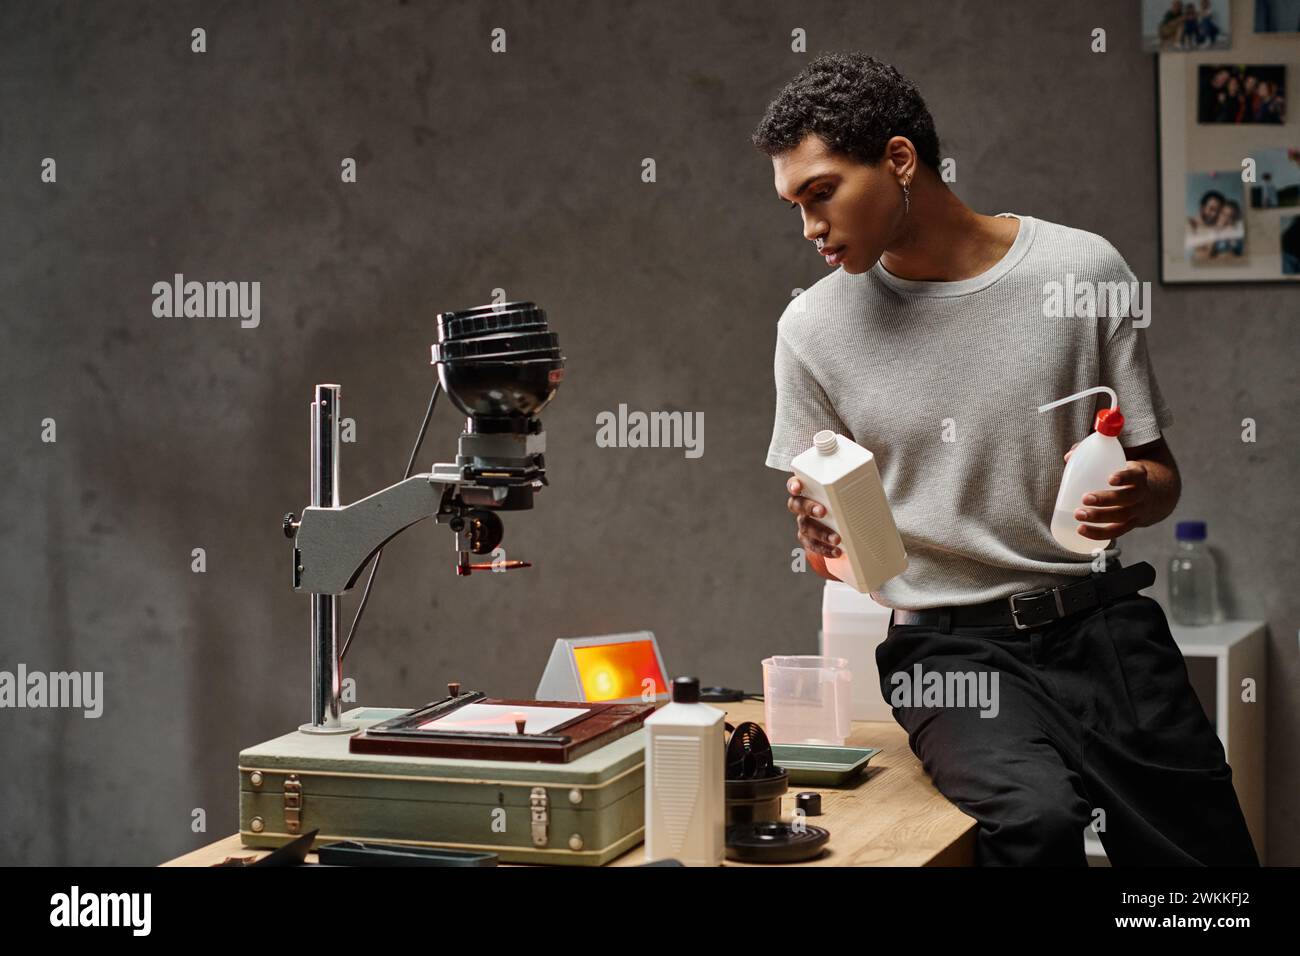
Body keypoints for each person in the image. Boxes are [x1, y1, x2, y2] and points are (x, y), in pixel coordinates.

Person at [752, 52, 1259, 866]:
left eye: (821, 193)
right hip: (951, 653)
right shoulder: (810, 331)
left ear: (899, 159)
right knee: (1035, 826)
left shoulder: (1082, 272)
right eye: (795, 205)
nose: (809, 227)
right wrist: (821, 534)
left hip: (1102, 624)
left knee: (1204, 874)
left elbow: (1160, 475)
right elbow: (828, 552)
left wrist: (1138, 492)